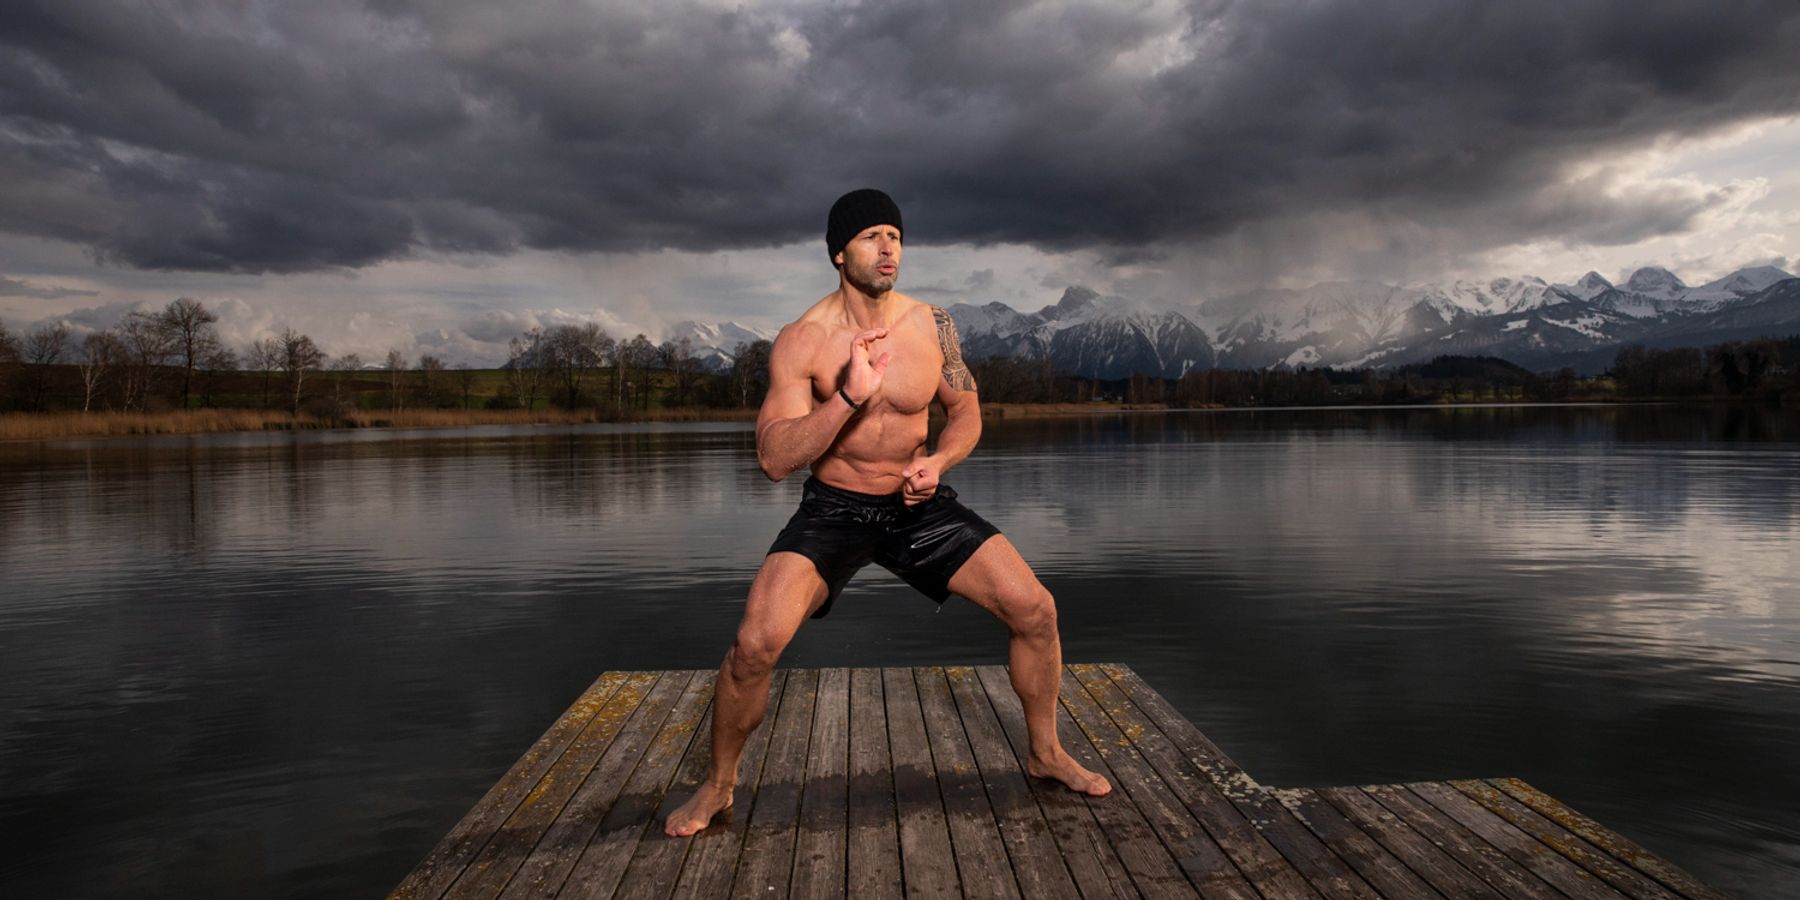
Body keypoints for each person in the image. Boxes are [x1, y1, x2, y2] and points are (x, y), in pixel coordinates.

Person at [664, 189, 1110, 837]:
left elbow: (966, 413)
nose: (889, 247)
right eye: (872, 236)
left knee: (1036, 609)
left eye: (895, 236)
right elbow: (772, 457)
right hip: (834, 509)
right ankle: (718, 786)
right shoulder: (803, 340)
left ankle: (1045, 755)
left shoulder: (935, 325)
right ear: (839, 252)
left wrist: (939, 463)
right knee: (753, 646)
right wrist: (848, 394)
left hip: (916, 502)